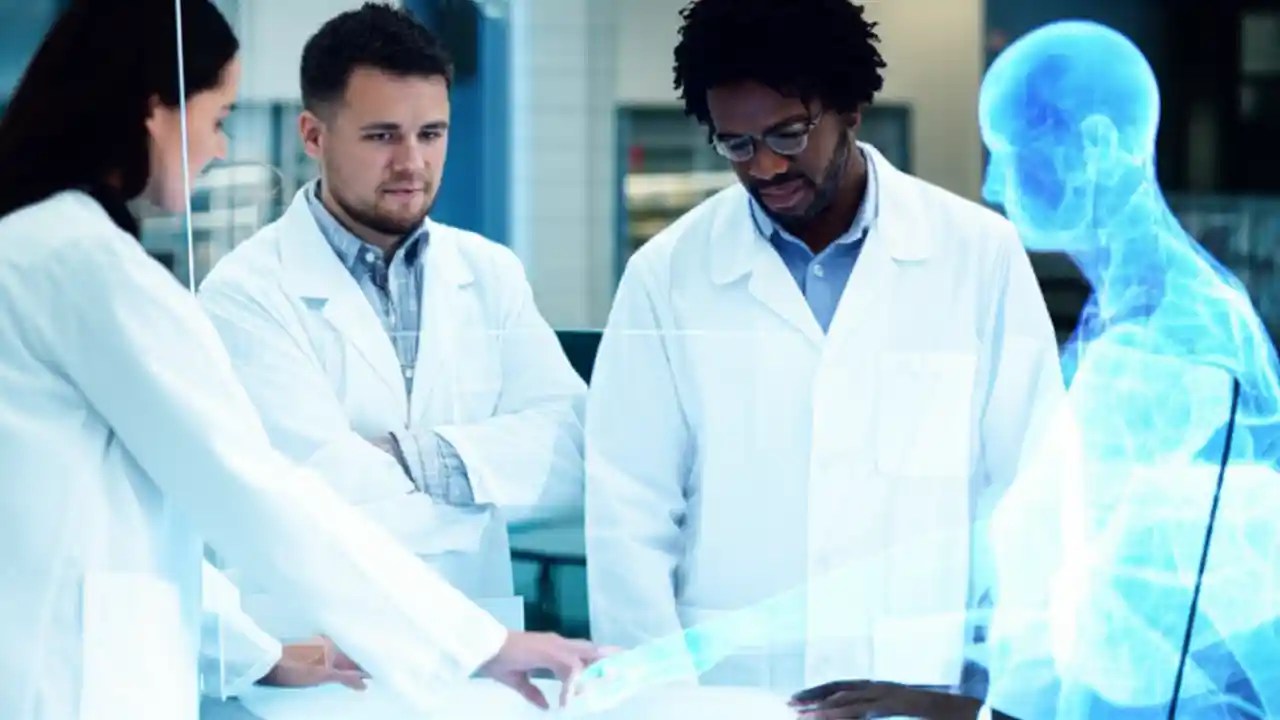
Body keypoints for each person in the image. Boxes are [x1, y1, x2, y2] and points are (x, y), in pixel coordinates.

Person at [0, 1, 603, 717]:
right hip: (69, 675)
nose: (219, 148)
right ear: (155, 112)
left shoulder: (42, 250)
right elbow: (259, 487)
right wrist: (475, 642)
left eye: (432, 132)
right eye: (218, 117)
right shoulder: (84, 265)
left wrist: (259, 651)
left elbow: (572, 448)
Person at [791, 18, 1280, 720]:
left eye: (1012, 155)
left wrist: (952, 707)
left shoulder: (1179, 348)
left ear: (1097, 148)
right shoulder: (1127, 313)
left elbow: (1128, 649)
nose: (993, 185)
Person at [583, 0, 1064, 699]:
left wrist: (993, 696)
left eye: (789, 133)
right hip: (733, 694)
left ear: (851, 108)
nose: (766, 166)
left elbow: (1028, 495)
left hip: (917, 687)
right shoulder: (667, 277)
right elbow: (628, 515)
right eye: (737, 145)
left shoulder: (976, 257)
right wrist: (658, 704)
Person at [197, 2, 585, 634]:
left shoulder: (490, 274)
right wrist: (481, 481)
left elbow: (571, 454)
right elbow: (309, 493)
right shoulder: (245, 293)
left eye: (431, 134)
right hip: (321, 648)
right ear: (314, 136)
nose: (412, 162)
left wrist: (411, 457)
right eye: (382, 136)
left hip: (478, 638)